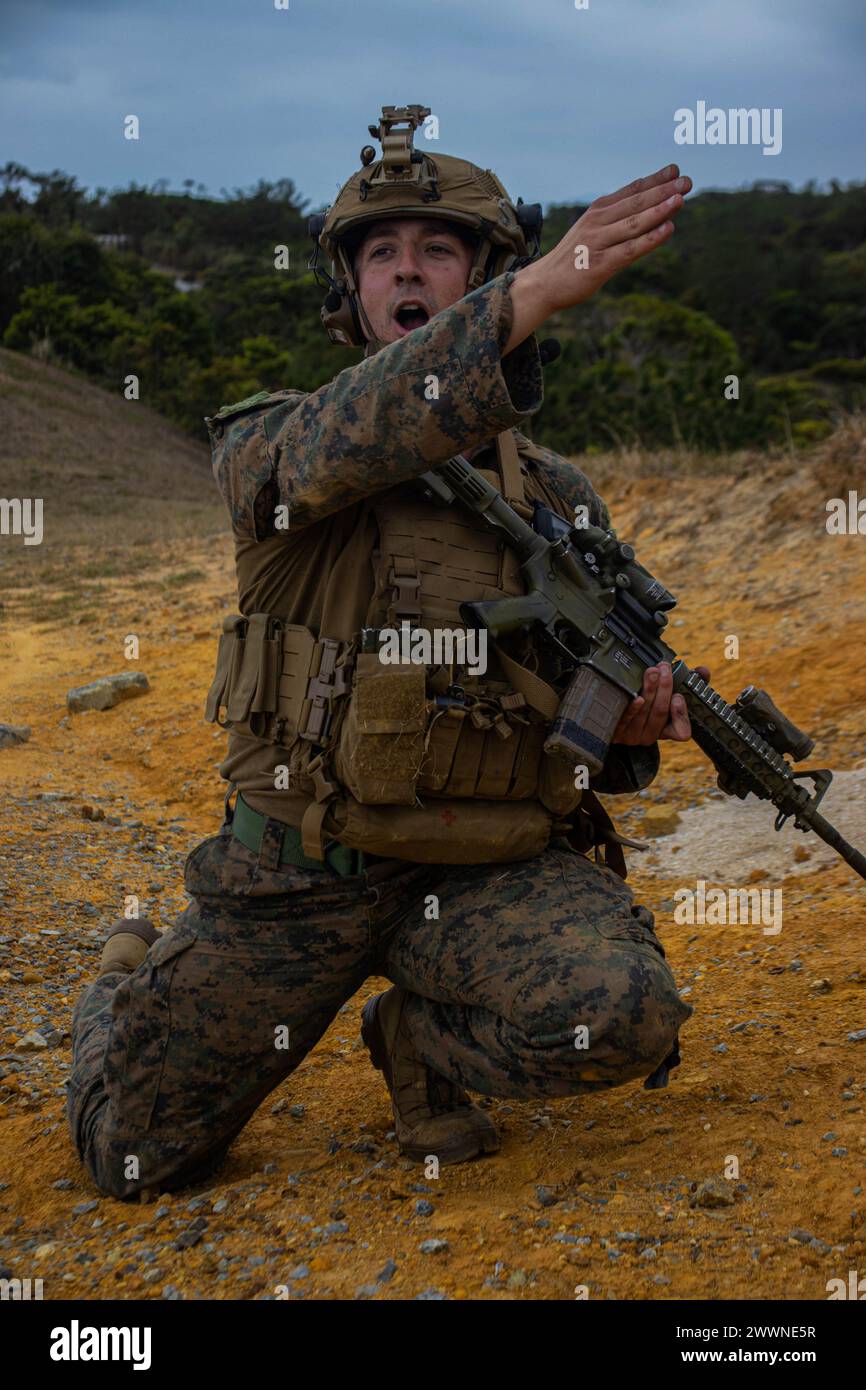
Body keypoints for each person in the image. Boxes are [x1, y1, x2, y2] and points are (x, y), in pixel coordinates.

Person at [67, 105, 701, 1198]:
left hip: (483, 873)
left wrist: (630, 724)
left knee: (620, 1016)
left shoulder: (556, 498)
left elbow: (579, 727)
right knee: (133, 1156)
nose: (407, 271)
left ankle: (416, 1036)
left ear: (473, 271)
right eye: (382, 254)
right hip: (294, 878)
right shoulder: (273, 445)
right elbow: (359, 429)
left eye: (439, 250)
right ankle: (126, 972)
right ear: (350, 289)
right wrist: (534, 296)